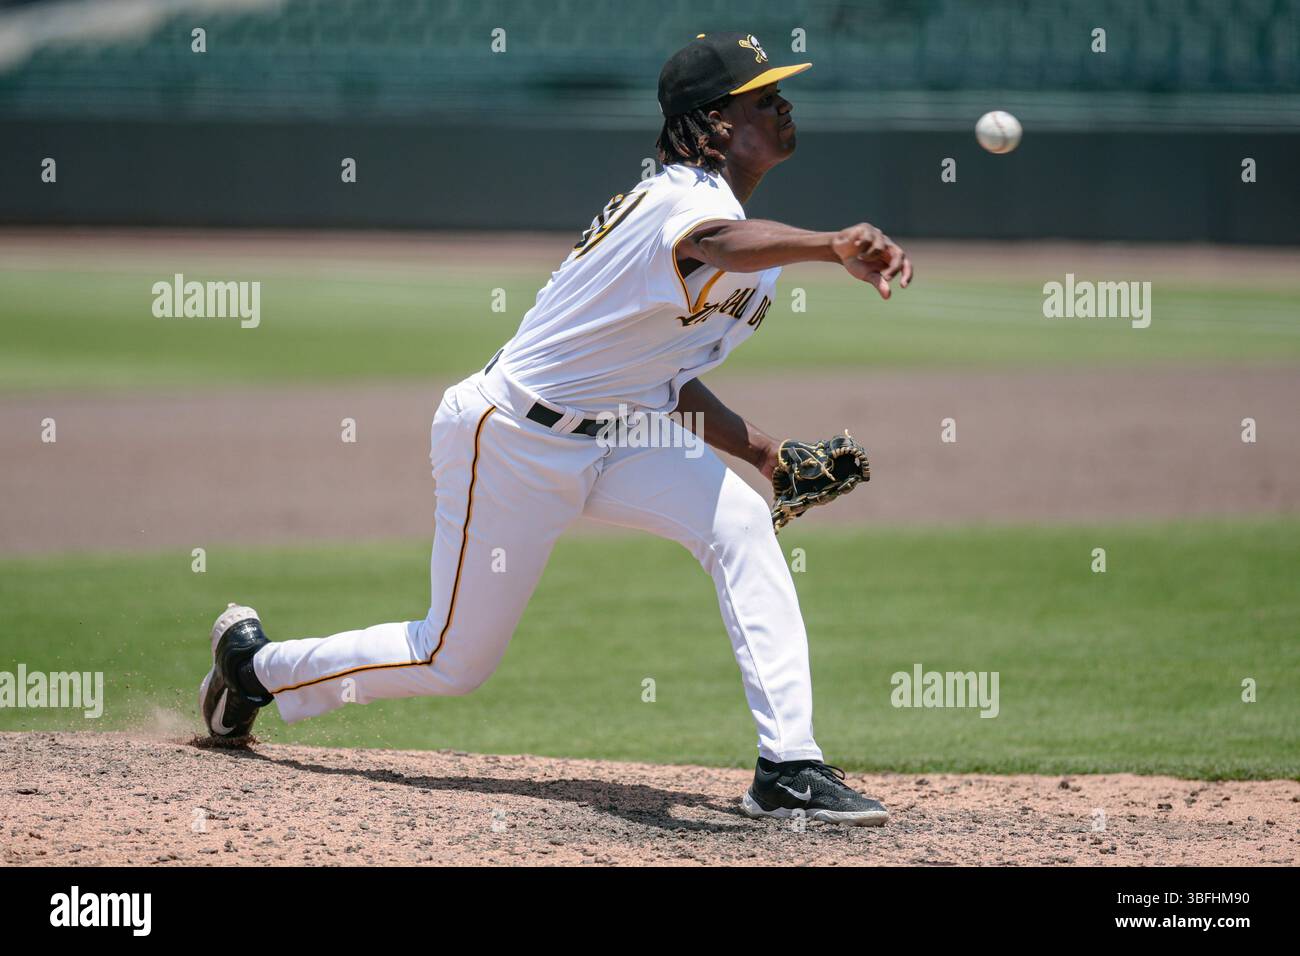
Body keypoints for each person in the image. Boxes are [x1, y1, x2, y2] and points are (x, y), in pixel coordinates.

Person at [200, 31, 911, 826]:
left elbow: (661, 377)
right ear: (712, 121)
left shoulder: (737, 236)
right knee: (451, 660)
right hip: (511, 440)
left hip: (618, 435)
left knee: (742, 522)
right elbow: (717, 241)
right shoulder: (681, 203)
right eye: (762, 96)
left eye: (781, 91)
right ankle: (254, 668)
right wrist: (830, 245)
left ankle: (789, 768)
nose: (784, 104)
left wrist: (767, 455)